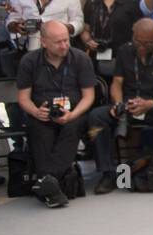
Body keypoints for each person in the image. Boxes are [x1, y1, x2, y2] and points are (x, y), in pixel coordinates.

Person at [86, 19, 153, 194]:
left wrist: (151, 104)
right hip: (127, 104)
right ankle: (107, 173)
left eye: (148, 43)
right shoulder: (125, 51)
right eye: (139, 41)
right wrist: (118, 104)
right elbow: (116, 83)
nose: (142, 46)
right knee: (96, 117)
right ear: (133, 36)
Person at [14, 20, 95, 207]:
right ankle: (52, 185)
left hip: (74, 112)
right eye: (58, 42)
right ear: (43, 42)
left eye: (66, 40)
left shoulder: (81, 58)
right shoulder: (29, 61)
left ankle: (45, 181)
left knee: (72, 127)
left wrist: (72, 114)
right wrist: (35, 111)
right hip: (42, 113)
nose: (64, 45)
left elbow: (88, 96)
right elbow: (23, 98)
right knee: (39, 130)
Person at [79, 0, 141, 79]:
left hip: (124, 60)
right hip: (97, 58)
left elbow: (138, 33)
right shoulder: (93, 4)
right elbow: (85, 29)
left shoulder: (131, 4)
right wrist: (87, 41)